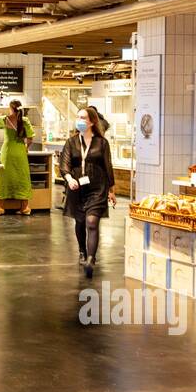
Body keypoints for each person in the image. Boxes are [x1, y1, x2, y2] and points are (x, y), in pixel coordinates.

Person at [59, 106, 116, 278]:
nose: (79, 121)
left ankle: (91, 259)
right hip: (77, 188)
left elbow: (108, 166)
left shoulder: (102, 143)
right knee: (80, 222)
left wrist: (111, 191)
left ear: (92, 122)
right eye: (78, 117)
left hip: (97, 188)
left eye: (83, 118)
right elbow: (64, 164)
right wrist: (69, 179)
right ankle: (82, 251)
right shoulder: (71, 142)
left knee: (92, 222)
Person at [0, 100, 35, 216]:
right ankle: (25, 207)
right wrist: (26, 147)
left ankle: (0, 207)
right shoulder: (25, 121)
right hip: (20, 151)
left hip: (7, 151)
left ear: (11, 108)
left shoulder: (5, 119)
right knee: (22, 177)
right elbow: (30, 139)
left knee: (3, 177)